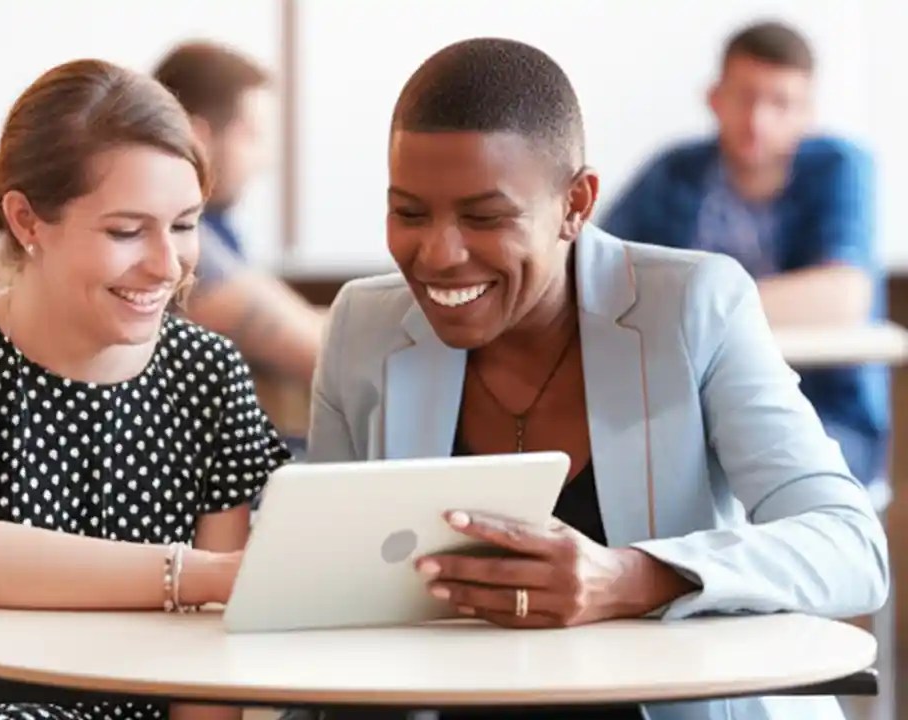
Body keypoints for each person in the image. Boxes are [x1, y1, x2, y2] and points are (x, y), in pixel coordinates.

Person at [306, 38, 887, 720]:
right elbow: (325, 589)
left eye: (485, 217)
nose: (438, 253)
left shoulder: (695, 307)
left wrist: (630, 578)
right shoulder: (364, 328)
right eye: (408, 213)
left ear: (576, 204)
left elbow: (851, 547)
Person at [0, 58, 291, 720]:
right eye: (126, 231)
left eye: (185, 225)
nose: (167, 265)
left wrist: (221, 586)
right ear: (26, 221)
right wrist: (200, 576)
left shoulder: (208, 373)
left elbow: (211, 668)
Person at [600, 21, 887, 502]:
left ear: (809, 113)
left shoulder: (840, 166)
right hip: (688, 409)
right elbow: (598, 271)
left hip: (824, 412)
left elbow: (842, 297)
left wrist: (696, 306)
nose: (758, 120)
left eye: (781, 103)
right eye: (745, 97)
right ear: (715, 98)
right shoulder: (674, 171)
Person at [153, 41, 324, 385]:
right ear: (197, 137)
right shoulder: (175, 241)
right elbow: (321, 351)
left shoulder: (213, 232)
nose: (265, 161)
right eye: (251, 135)